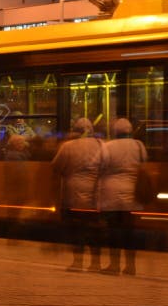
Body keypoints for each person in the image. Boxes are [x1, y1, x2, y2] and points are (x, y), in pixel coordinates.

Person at [51, 117, 103, 272]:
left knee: (76, 229)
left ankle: (77, 262)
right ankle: (95, 263)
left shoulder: (68, 146)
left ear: (76, 131)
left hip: (72, 195)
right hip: (95, 196)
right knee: (94, 230)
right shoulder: (102, 145)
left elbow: (56, 166)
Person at [98, 118, 145, 275]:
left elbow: (100, 166)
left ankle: (114, 265)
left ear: (115, 132)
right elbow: (143, 163)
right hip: (132, 195)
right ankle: (131, 266)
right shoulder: (139, 146)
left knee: (113, 231)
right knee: (129, 231)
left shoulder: (108, 147)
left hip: (111, 195)